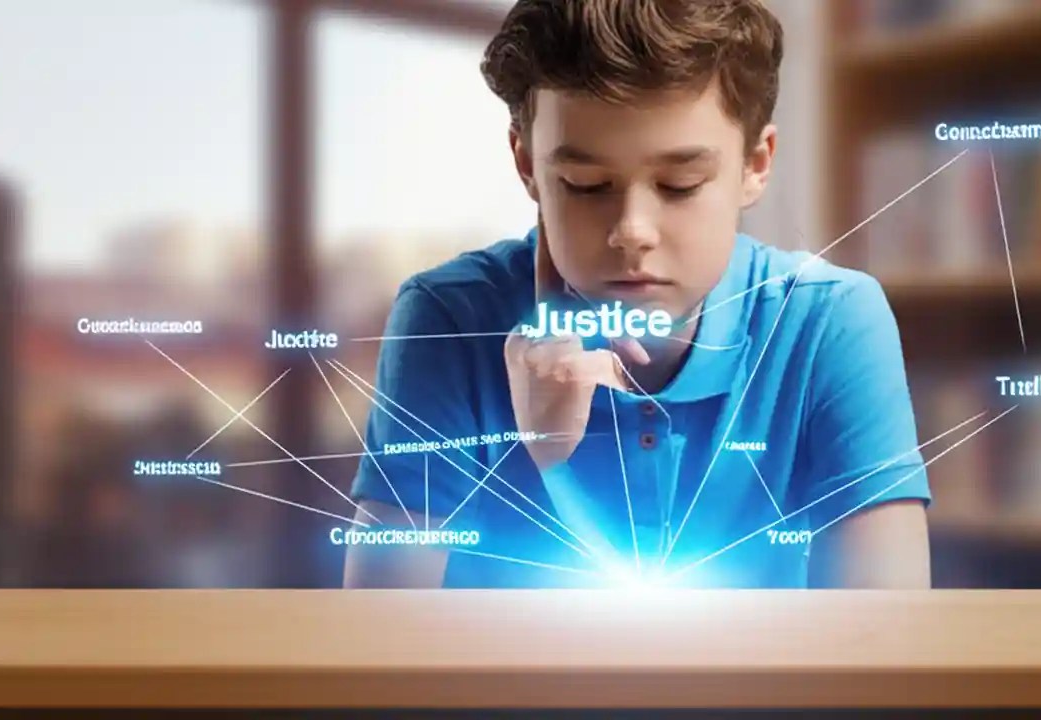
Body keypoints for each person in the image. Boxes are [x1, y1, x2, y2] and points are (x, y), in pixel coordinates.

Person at [343, 0, 931, 588]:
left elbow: (887, 634)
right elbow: (378, 636)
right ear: (527, 165)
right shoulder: (448, 320)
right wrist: (531, 452)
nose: (631, 231)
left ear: (755, 165)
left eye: (679, 184)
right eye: (585, 185)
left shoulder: (830, 321)